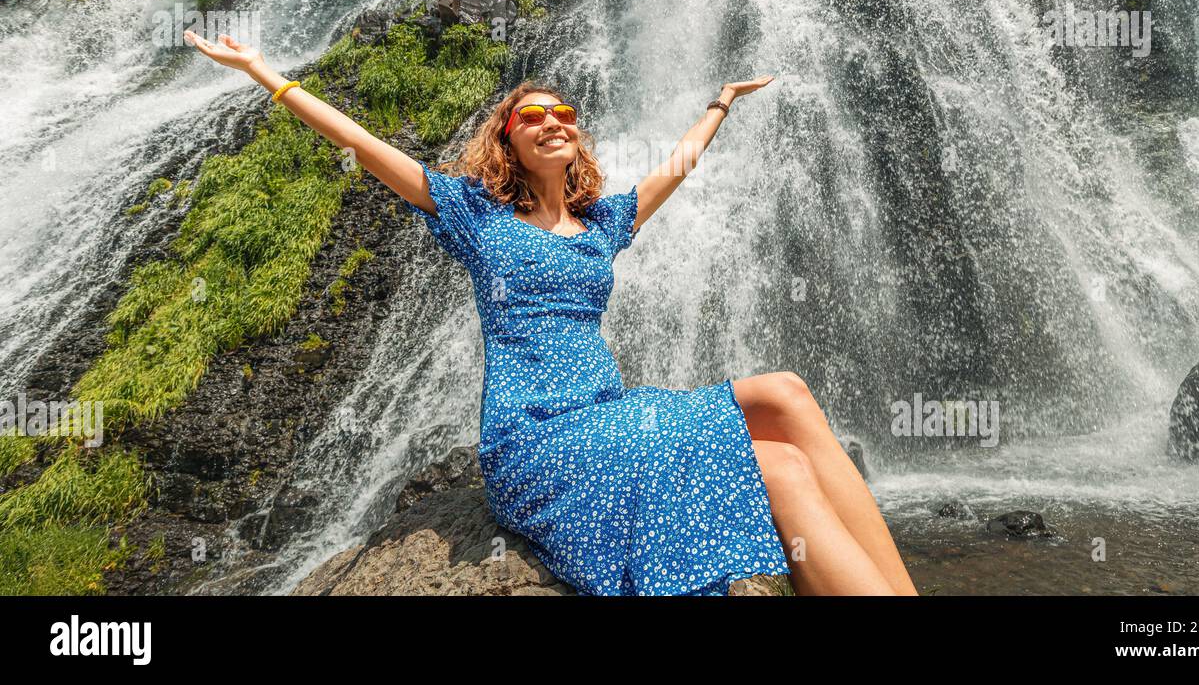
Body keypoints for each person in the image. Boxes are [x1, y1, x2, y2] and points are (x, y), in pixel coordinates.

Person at [186, 29, 918, 596]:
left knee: (786, 446)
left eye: (563, 113)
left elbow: (680, 165)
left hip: (608, 413)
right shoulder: (475, 214)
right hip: (536, 437)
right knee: (778, 429)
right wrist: (264, 73)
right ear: (508, 138)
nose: (551, 121)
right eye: (531, 115)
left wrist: (720, 101)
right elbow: (361, 144)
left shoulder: (601, 224)